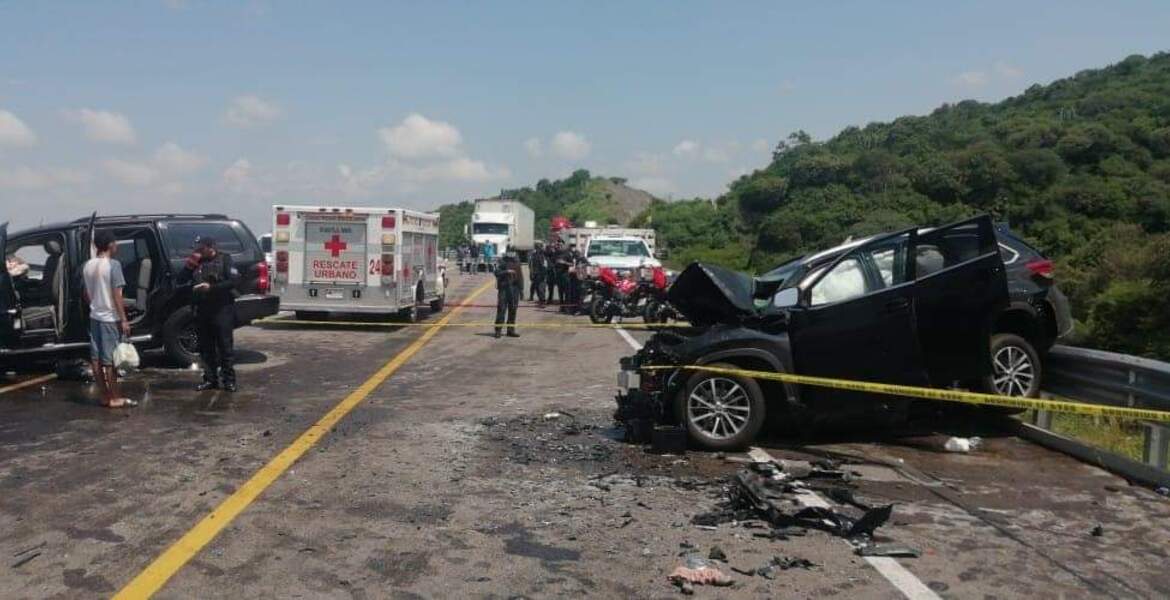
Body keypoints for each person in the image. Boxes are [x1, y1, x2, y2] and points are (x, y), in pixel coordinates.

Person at [178, 237, 239, 392]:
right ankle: (210, 379)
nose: (199, 251)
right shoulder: (196, 262)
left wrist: (211, 288)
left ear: (210, 247)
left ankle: (229, 381)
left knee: (225, 347)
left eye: (201, 248)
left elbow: (233, 282)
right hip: (202, 310)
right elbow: (180, 280)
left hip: (222, 309)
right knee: (206, 348)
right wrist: (189, 265)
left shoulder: (225, 259)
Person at [82, 230, 135, 408]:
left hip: (94, 316)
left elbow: (87, 294)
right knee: (110, 361)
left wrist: (95, 305)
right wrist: (123, 319)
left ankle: (104, 396)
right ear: (110, 245)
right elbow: (117, 295)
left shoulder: (88, 265)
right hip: (109, 318)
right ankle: (114, 397)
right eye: (116, 242)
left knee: (96, 360)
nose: (117, 245)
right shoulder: (114, 265)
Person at [493, 251, 522, 338]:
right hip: (504, 289)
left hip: (515, 289)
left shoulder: (517, 262)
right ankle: (498, 330)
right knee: (501, 309)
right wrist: (506, 271)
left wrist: (521, 290)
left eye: (514, 252)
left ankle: (511, 330)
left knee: (513, 310)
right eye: (511, 252)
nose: (513, 254)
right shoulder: (502, 262)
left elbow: (520, 277)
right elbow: (496, 273)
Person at [528, 241, 547, 306]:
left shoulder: (543, 255)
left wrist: (544, 274)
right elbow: (531, 265)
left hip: (542, 274)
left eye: (538, 247)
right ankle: (540, 301)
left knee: (541, 288)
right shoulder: (533, 255)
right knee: (537, 288)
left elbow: (544, 265)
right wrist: (531, 273)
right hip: (535, 274)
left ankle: (543, 301)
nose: (537, 248)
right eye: (536, 247)